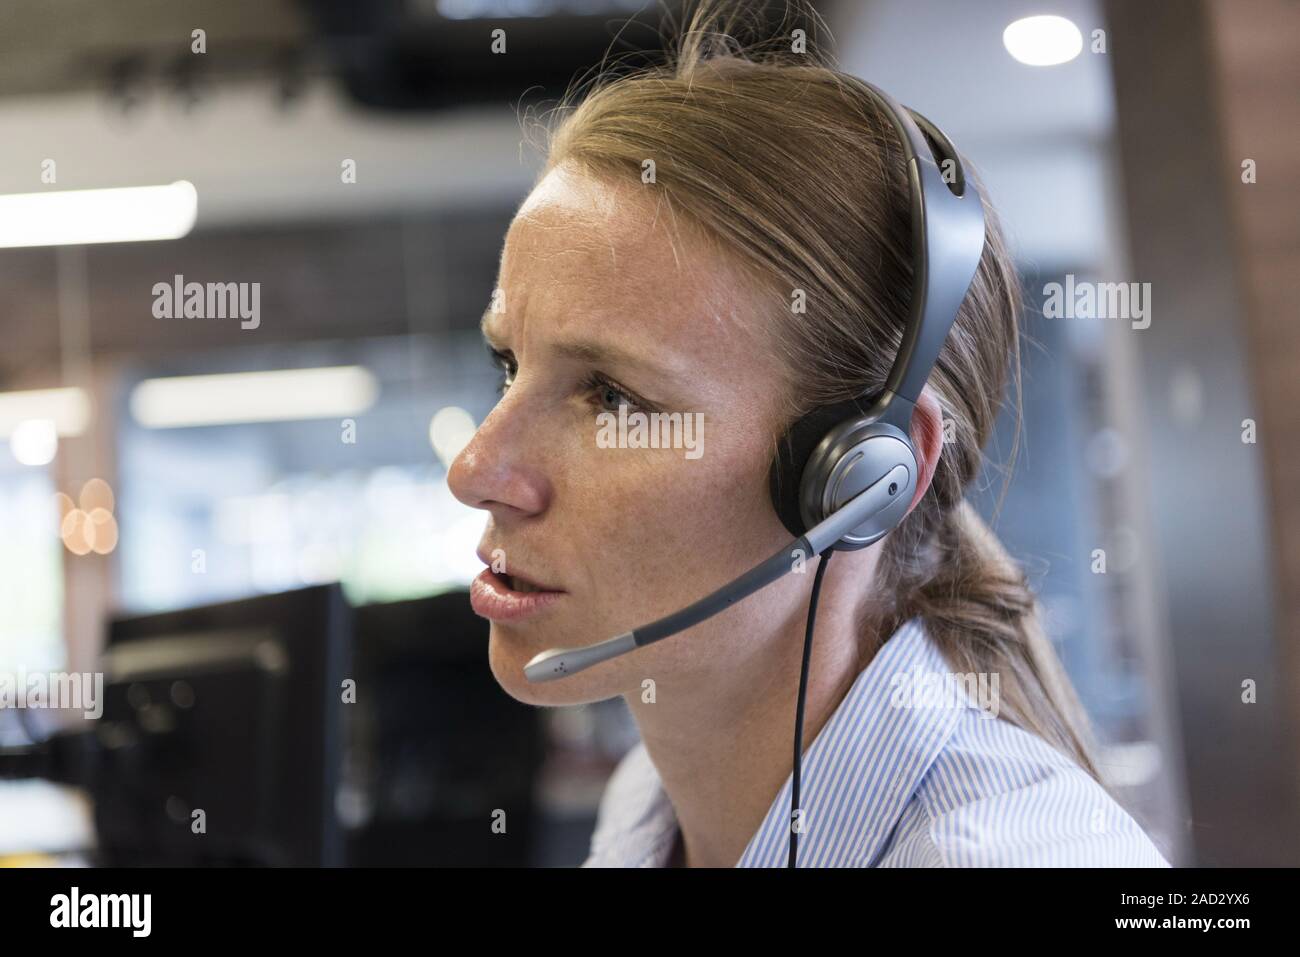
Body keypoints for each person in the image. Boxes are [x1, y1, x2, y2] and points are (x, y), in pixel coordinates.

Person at [448, 0, 1170, 868]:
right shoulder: (649, 800)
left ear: (861, 478)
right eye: (508, 364)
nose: (478, 467)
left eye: (612, 397)